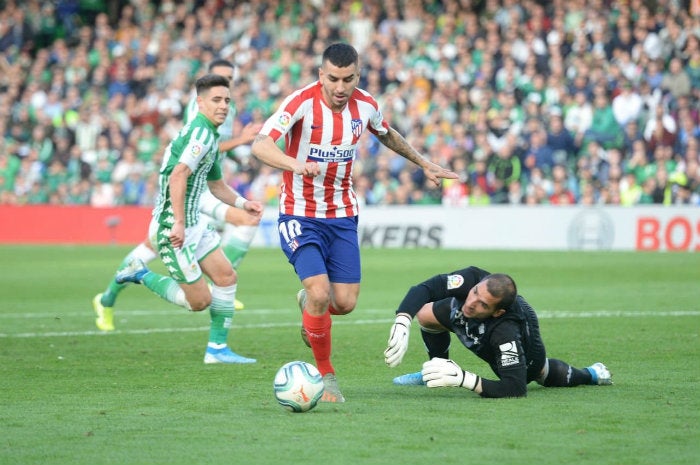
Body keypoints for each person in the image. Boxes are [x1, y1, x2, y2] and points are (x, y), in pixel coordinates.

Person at [250, 43, 458, 402]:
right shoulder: (299, 102)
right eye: (333, 78)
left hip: (343, 214)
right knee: (320, 291)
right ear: (321, 75)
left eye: (348, 79)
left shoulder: (366, 105)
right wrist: (295, 164)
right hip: (300, 213)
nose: (340, 87)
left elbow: (386, 133)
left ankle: (310, 306)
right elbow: (260, 144)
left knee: (343, 303)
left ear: (357, 75)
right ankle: (326, 376)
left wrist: (423, 163)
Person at [93, 59, 262, 331]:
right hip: (184, 205)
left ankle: (217, 345)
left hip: (197, 203)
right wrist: (179, 222)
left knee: (221, 272)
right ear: (202, 99)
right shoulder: (200, 124)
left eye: (229, 84)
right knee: (197, 295)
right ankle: (137, 277)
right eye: (220, 84)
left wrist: (244, 201)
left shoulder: (218, 123)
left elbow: (215, 173)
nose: (224, 96)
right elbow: (181, 171)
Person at [384, 266, 612, 398]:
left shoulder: (506, 331)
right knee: (425, 313)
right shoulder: (473, 279)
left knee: (538, 372)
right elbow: (426, 288)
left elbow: (516, 387)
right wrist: (403, 319)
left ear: (497, 311)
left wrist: (465, 379)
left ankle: (592, 374)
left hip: (514, 336)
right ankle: (436, 371)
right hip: (475, 322)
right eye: (474, 293)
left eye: (483, 303)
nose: (471, 302)